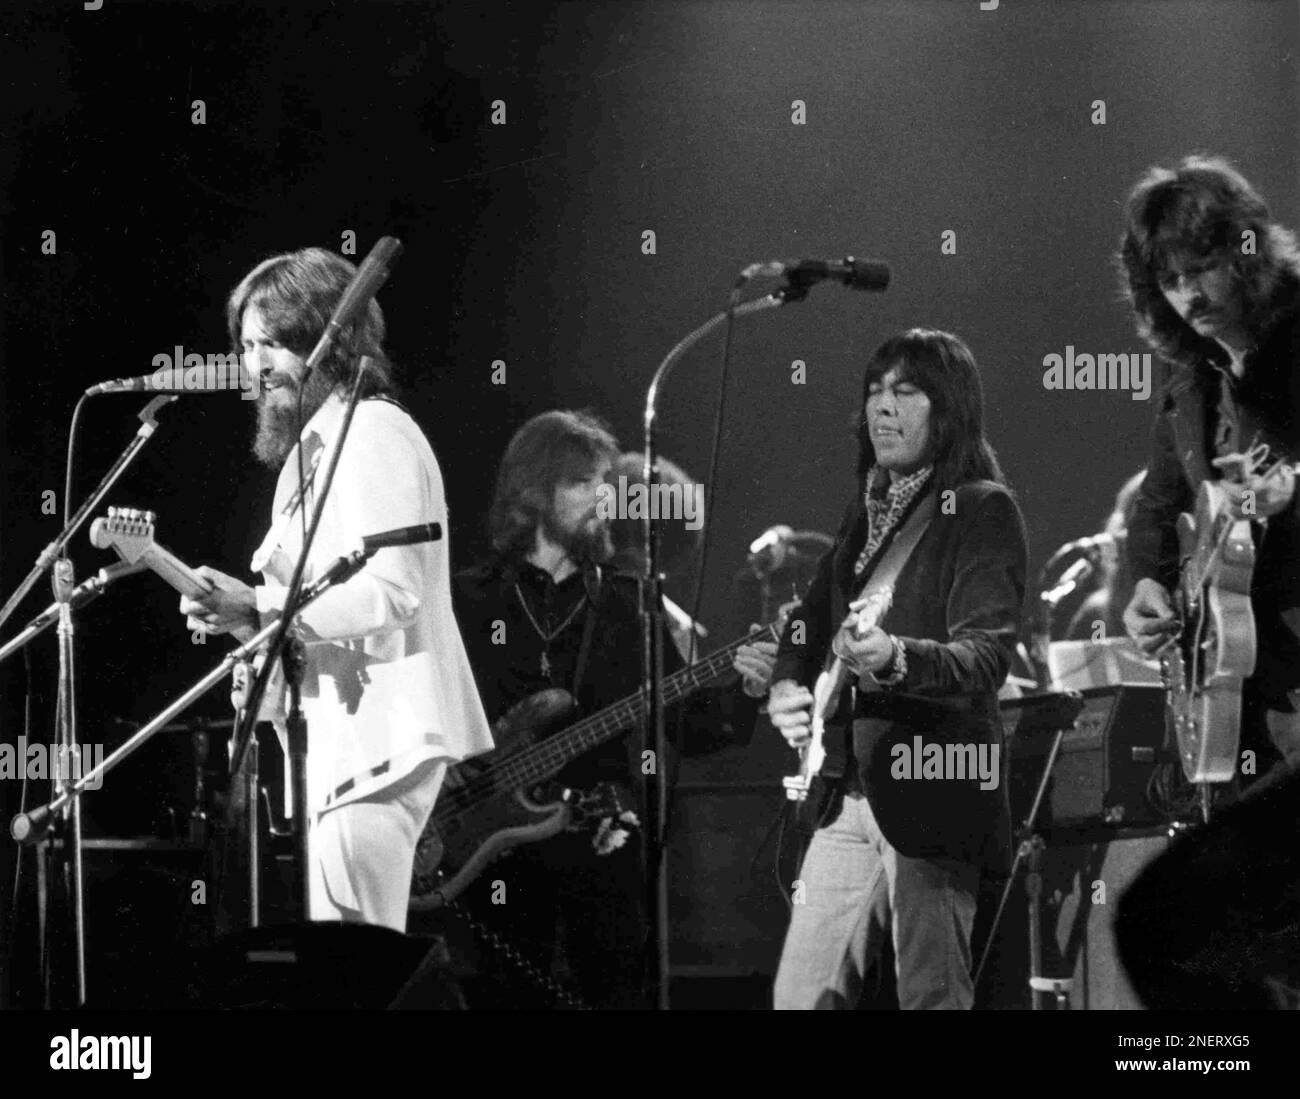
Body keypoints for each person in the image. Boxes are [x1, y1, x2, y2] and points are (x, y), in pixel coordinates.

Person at [177, 246, 492, 932]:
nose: (254, 367)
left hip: (381, 739)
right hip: (338, 742)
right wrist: (244, 618)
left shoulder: (372, 430)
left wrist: (256, 606)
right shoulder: (311, 455)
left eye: (272, 343)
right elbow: (305, 615)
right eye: (247, 345)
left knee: (360, 965)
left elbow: (392, 591)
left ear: (331, 339)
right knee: (346, 967)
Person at [445, 410, 773, 1008]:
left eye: (606, 481)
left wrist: (748, 690)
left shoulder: (628, 602)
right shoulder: (470, 597)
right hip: (487, 845)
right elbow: (430, 710)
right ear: (532, 492)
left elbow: (691, 727)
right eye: (581, 482)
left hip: (603, 844)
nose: (604, 495)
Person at [767, 328, 1027, 1010]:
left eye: (906, 391)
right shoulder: (865, 514)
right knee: (800, 999)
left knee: (933, 998)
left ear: (948, 408)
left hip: (932, 787)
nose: (883, 407)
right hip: (845, 791)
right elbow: (806, 620)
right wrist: (787, 682)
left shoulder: (981, 508)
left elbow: (987, 657)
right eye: (875, 391)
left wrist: (895, 656)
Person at [1119, 155, 1300, 778]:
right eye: (1170, 281)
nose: (1189, 295)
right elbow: (1156, 506)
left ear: (1246, 256)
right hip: (1233, 680)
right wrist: (1146, 584)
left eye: (1202, 269)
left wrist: (1291, 490)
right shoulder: (1190, 376)